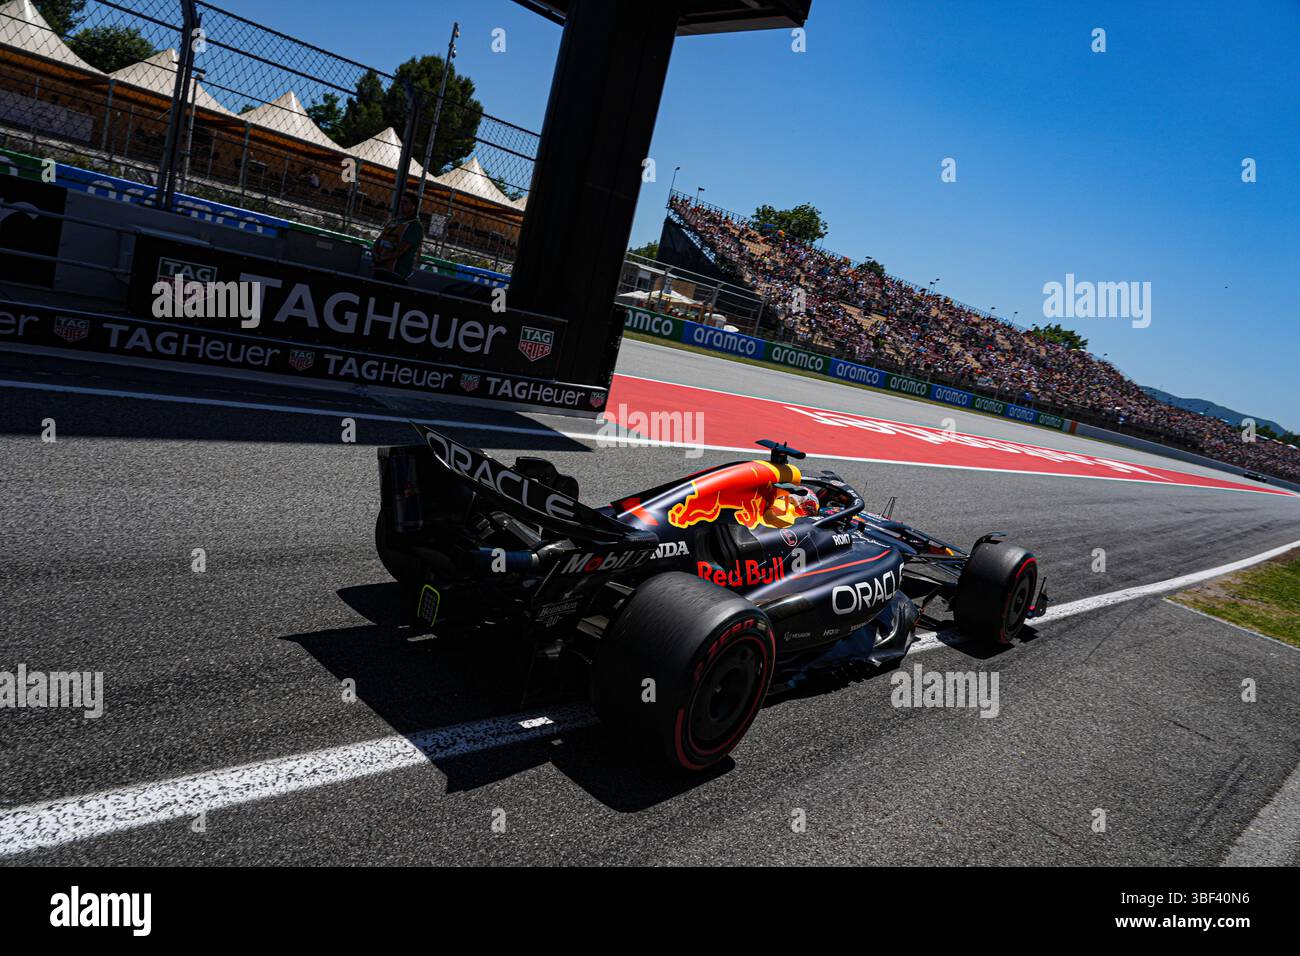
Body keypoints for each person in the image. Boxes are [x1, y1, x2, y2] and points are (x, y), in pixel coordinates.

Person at [372, 192, 424, 284]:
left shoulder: (415, 226)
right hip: (380, 268)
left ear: (413, 206)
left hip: (396, 274)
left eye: (405, 202)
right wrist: (375, 254)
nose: (401, 204)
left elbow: (401, 250)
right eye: (401, 202)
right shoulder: (393, 221)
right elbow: (379, 239)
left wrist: (382, 258)